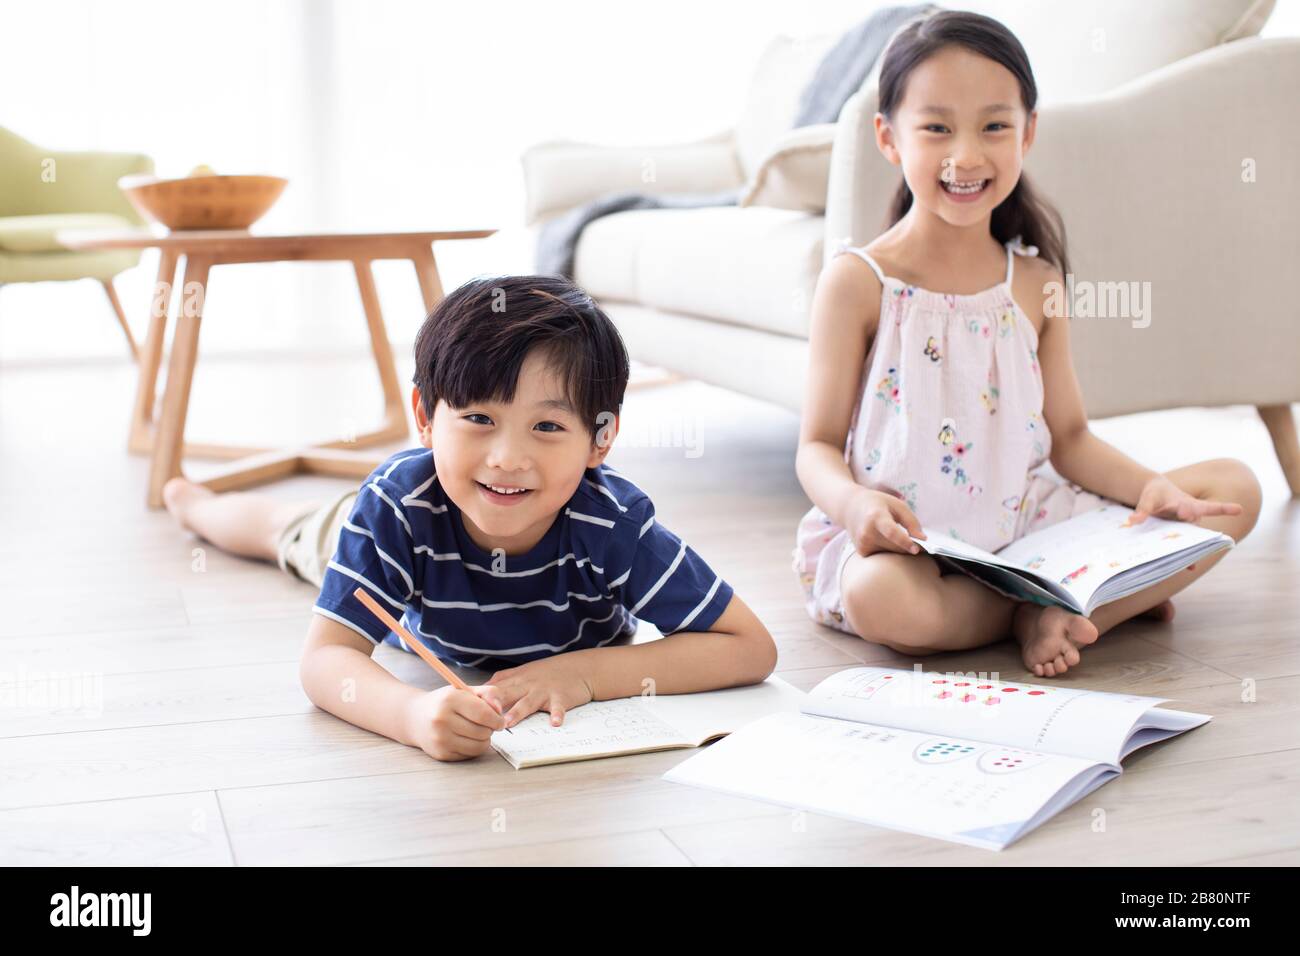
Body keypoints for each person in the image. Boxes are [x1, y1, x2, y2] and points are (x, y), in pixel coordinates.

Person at [793, 11, 1260, 677]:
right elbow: (814, 448)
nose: (966, 154)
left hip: (1028, 527)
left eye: (993, 126)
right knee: (882, 599)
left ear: (1028, 132)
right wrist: (855, 504)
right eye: (936, 128)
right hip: (914, 552)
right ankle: (1064, 605)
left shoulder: (1035, 281)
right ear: (888, 138)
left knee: (1233, 490)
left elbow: (1069, 438)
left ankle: (1057, 602)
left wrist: (1154, 489)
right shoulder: (858, 282)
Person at [165, 275, 776, 761]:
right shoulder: (396, 509)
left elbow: (749, 648)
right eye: (479, 419)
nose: (508, 459)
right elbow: (325, 661)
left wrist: (583, 675)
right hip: (381, 540)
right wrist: (411, 716)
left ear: (601, 439)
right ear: (426, 416)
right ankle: (198, 503)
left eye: (548, 426)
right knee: (292, 534)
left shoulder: (614, 524)